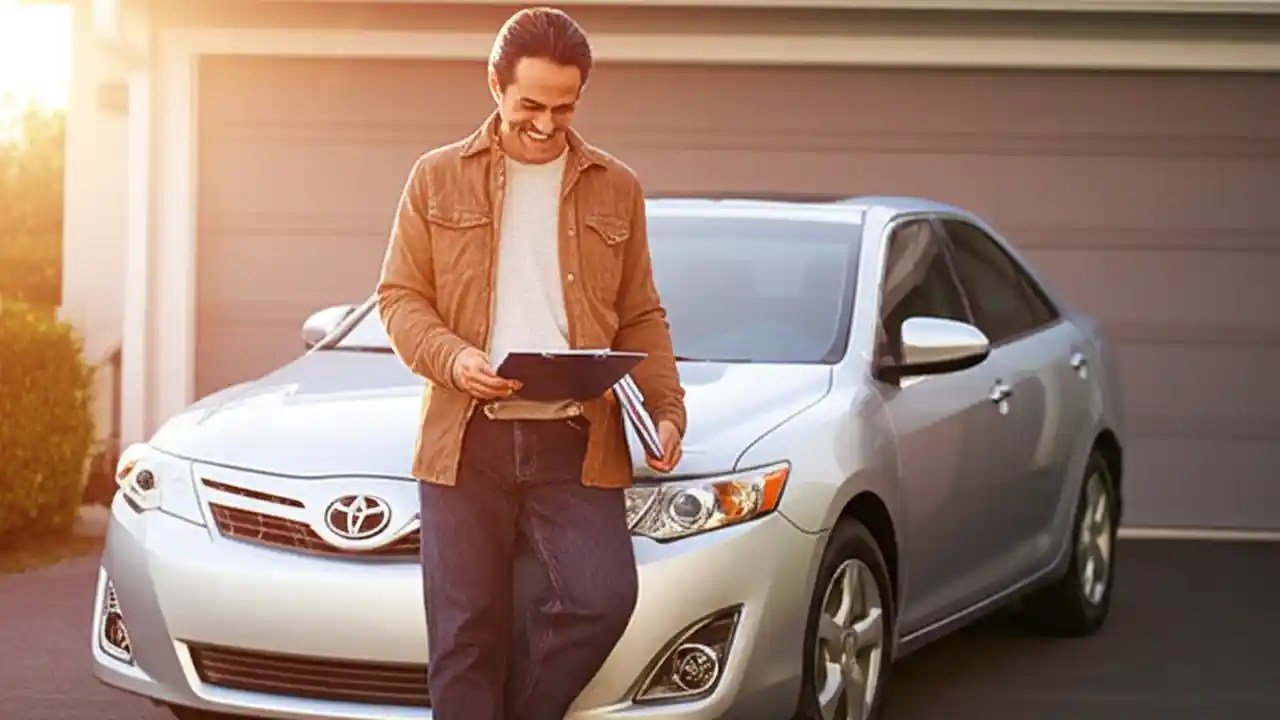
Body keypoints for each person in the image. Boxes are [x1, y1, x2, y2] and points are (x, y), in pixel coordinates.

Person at [375, 6, 686, 720]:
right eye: (530, 106)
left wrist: (666, 410)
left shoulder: (617, 187)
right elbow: (399, 299)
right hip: (466, 440)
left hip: (574, 442)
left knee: (601, 598)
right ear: (494, 84)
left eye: (564, 107)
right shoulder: (434, 178)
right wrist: (454, 359)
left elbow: (641, 313)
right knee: (465, 638)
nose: (547, 125)